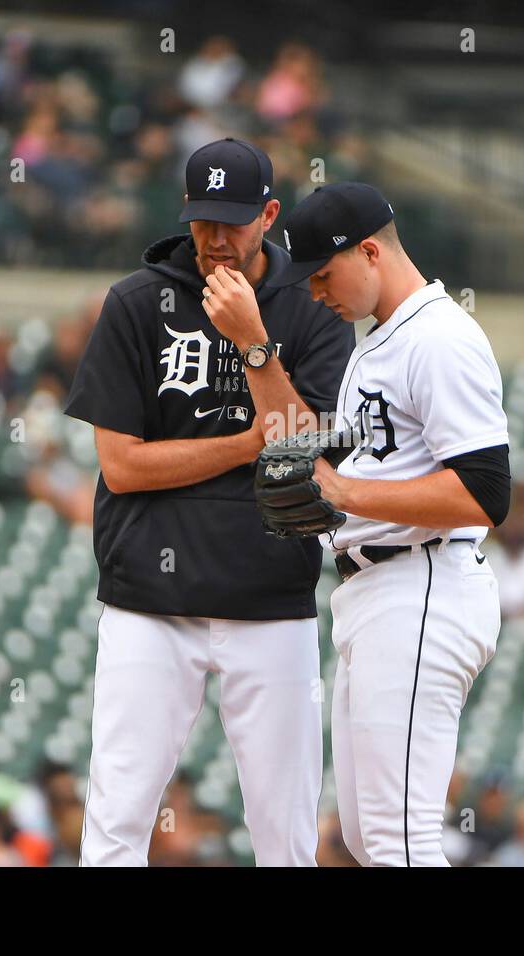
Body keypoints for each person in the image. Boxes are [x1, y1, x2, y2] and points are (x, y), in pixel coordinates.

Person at [63, 138, 354, 866]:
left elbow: (308, 454)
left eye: (232, 219)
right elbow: (123, 466)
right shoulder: (137, 302)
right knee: (118, 816)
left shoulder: (310, 306)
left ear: (269, 214)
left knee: (284, 832)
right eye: (203, 220)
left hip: (270, 600)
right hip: (148, 605)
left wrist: (255, 343)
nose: (216, 238)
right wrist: (245, 443)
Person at [260, 181, 511, 866]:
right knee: (371, 840)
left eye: (322, 273)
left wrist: (345, 489)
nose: (314, 292)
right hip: (378, 593)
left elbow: (486, 492)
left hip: (420, 582)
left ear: (370, 251)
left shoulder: (439, 336)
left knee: (401, 840)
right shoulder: (379, 343)